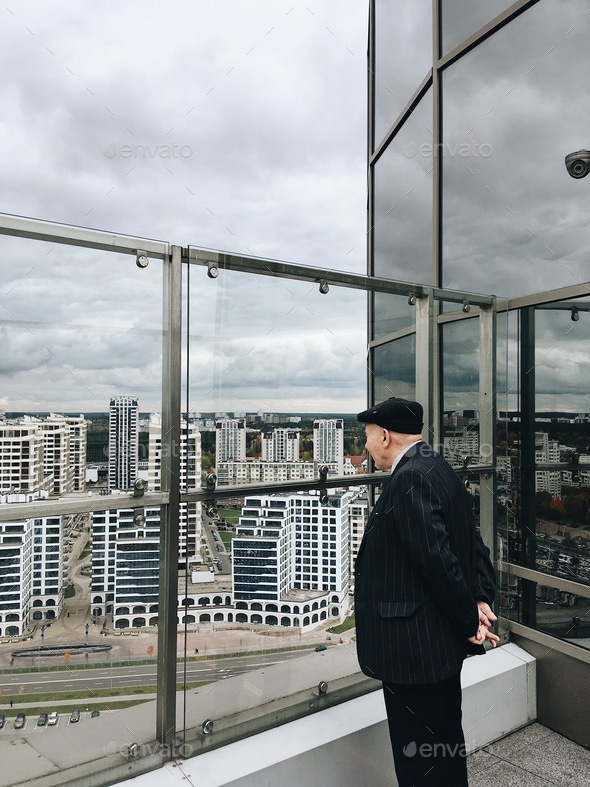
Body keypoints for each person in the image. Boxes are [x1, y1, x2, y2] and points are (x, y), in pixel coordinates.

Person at [354, 396, 498, 786]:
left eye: (366, 437)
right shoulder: (438, 466)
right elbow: (471, 543)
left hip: (414, 649)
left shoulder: (409, 479)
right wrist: (480, 598)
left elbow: (436, 560)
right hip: (436, 647)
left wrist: (470, 618)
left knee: (419, 755)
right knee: (445, 741)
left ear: (384, 436)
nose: (365, 446)